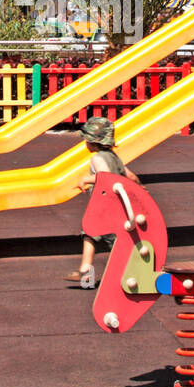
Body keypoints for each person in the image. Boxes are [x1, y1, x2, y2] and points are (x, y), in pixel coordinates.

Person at [67, 117, 141, 285]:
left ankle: (132, 273)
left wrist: (86, 179)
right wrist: (140, 188)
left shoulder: (98, 158)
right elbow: (129, 175)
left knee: (114, 241)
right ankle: (85, 271)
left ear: (92, 141)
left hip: (106, 206)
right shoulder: (113, 156)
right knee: (90, 232)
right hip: (112, 206)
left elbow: (107, 177)